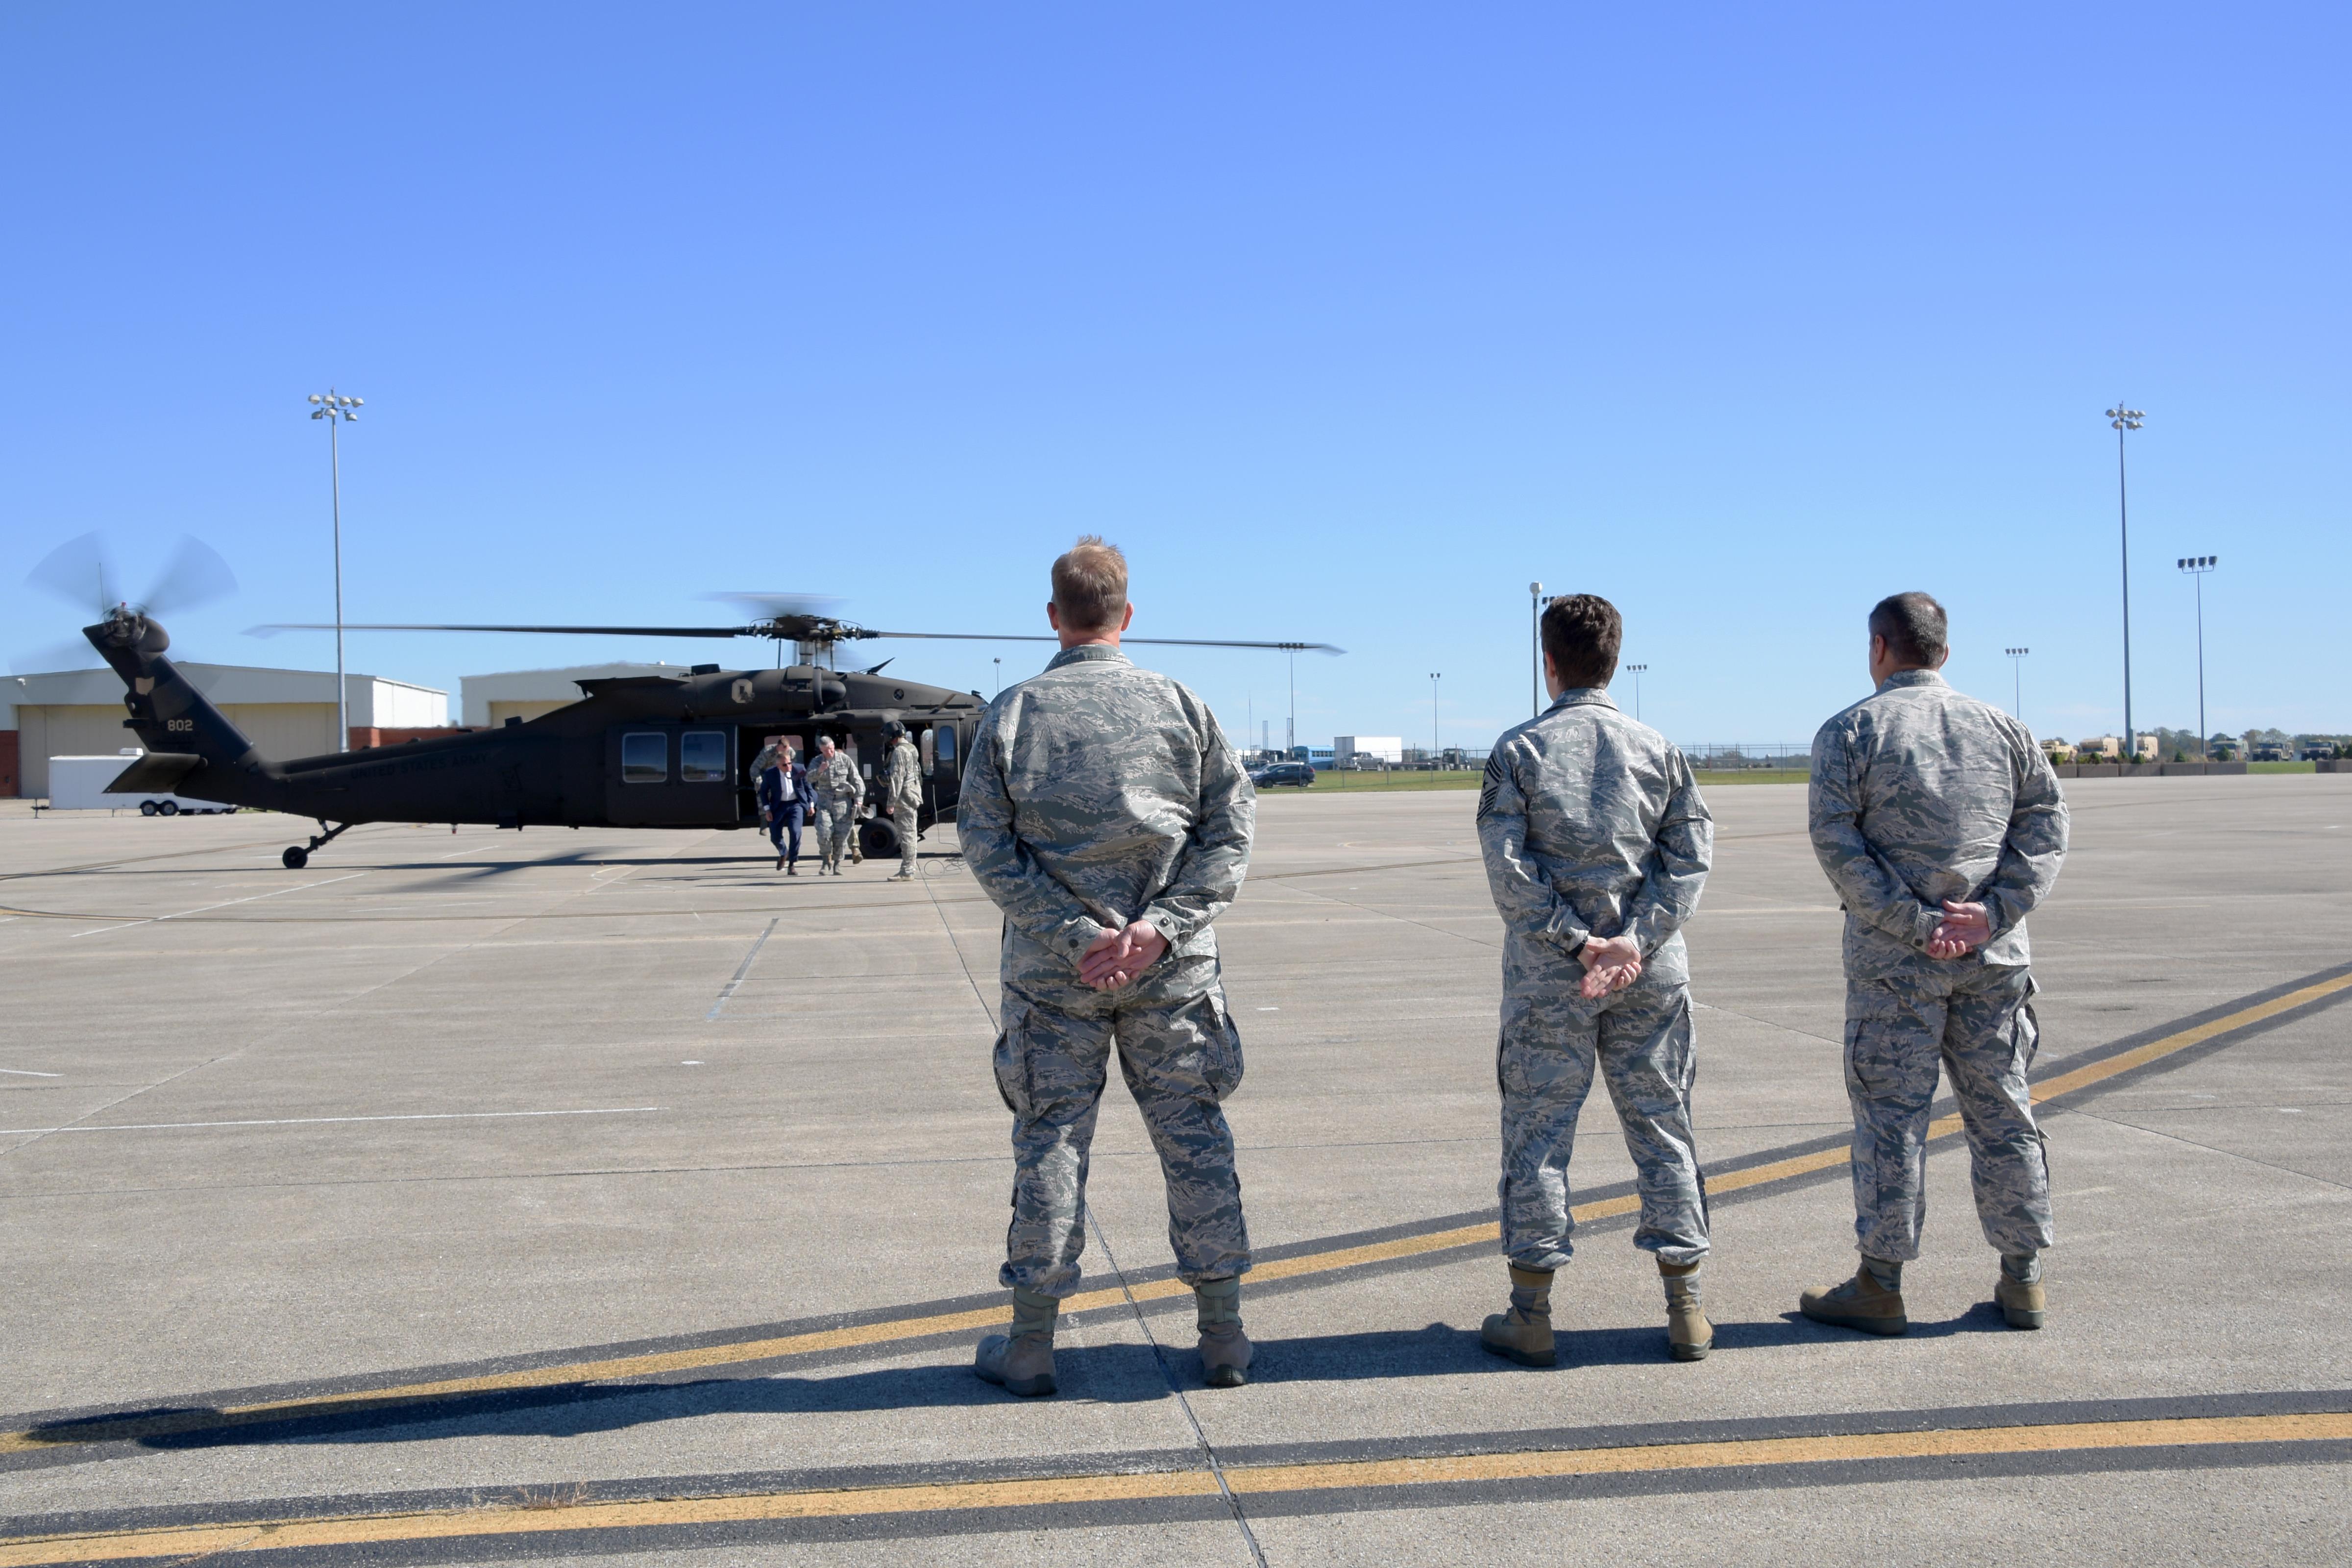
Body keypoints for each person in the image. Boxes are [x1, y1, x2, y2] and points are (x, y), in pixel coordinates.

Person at [960, 536, 1256, 1396]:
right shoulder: (1183, 706)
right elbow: (1229, 834)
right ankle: (1223, 1336)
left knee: (1051, 1140)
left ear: (1054, 616)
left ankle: (1031, 1343)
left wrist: (1071, 933)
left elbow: (985, 842)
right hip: (1173, 975)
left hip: (1057, 980)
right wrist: (1160, 929)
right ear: (1128, 615)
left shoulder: (1014, 713)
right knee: (1193, 1136)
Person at [1800, 591, 2069, 1337]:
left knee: (1891, 1121)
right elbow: (2046, 828)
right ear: (1944, 653)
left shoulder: (1850, 731)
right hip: (1991, 958)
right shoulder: (2006, 729)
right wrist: (1992, 912)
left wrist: (1916, 925)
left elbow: (1838, 844)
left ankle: (1881, 1284)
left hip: (1895, 967)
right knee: (2005, 1111)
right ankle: (2023, 1279)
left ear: (1878, 647)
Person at [1475, 593, 1716, 1368]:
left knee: (1539, 1135)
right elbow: (1689, 860)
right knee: (1664, 1126)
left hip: (1552, 979)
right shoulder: (1660, 750)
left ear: (1549, 663)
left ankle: (1532, 1313)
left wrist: (1581, 945)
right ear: (1613, 661)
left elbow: (1509, 871)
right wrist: (1634, 941)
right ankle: (1686, 1310)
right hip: (1650, 973)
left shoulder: (1520, 751)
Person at [809, 735, 864, 876]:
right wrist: (819, 771)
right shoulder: (817, 761)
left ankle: (837, 864)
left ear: (834, 746)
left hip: (842, 803)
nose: (830, 752)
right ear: (821, 750)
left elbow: (856, 779)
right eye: (826, 750)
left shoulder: (845, 760)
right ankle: (825, 862)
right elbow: (808, 778)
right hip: (824, 803)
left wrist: (859, 799)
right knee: (824, 832)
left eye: (831, 749)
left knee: (841, 836)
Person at [757, 739, 813, 875]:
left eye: (789, 763)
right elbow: (763, 792)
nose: (788, 767)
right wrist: (767, 810)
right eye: (784, 765)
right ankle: (784, 852)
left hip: (796, 804)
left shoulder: (799, 770)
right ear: (778, 766)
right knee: (775, 836)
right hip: (779, 806)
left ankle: (792, 864)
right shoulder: (770, 774)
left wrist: (811, 805)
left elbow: (809, 788)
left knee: (796, 832)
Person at [883, 720, 923, 882]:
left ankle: (907, 871)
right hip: (913, 794)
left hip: (904, 798)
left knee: (907, 835)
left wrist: (891, 802)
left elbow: (897, 779)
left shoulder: (900, 751)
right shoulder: (912, 748)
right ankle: (908, 869)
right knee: (910, 834)